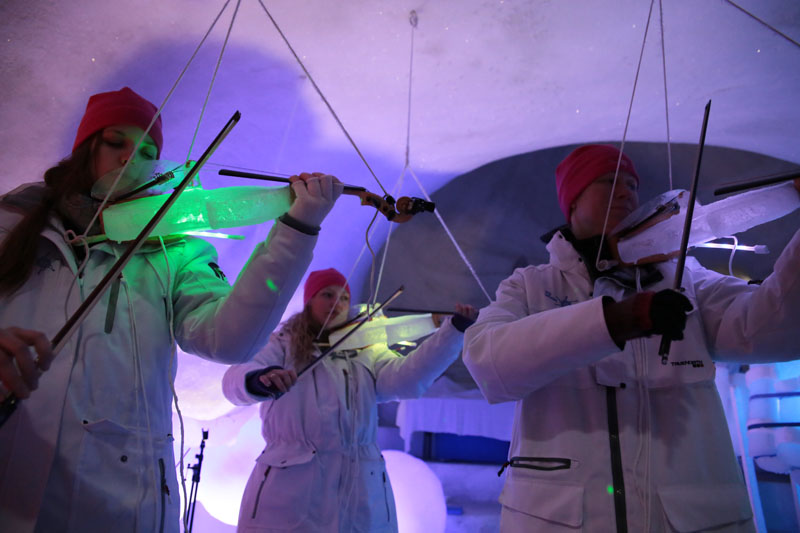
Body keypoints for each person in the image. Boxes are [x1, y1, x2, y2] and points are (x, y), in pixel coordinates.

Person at [0, 87, 342, 533]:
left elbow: (230, 339)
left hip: (121, 496)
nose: (131, 159)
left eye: (147, 151)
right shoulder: (14, 226)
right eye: (116, 142)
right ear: (85, 148)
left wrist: (296, 228)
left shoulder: (176, 251)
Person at [463, 144, 800, 532]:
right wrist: (613, 321)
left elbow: (767, 329)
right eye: (609, 183)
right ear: (572, 202)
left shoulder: (686, 278)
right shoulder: (529, 286)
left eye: (632, 186)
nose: (627, 193)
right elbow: (487, 362)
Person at [222, 268, 478, 532]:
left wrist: (452, 335)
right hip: (290, 490)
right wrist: (257, 380)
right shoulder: (281, 345)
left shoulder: (367, 350)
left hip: (359, 490)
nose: (337, 303)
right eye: (328, 295)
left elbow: (409, 380)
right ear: (309, 300)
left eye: (344, 298)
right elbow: (235, 379)